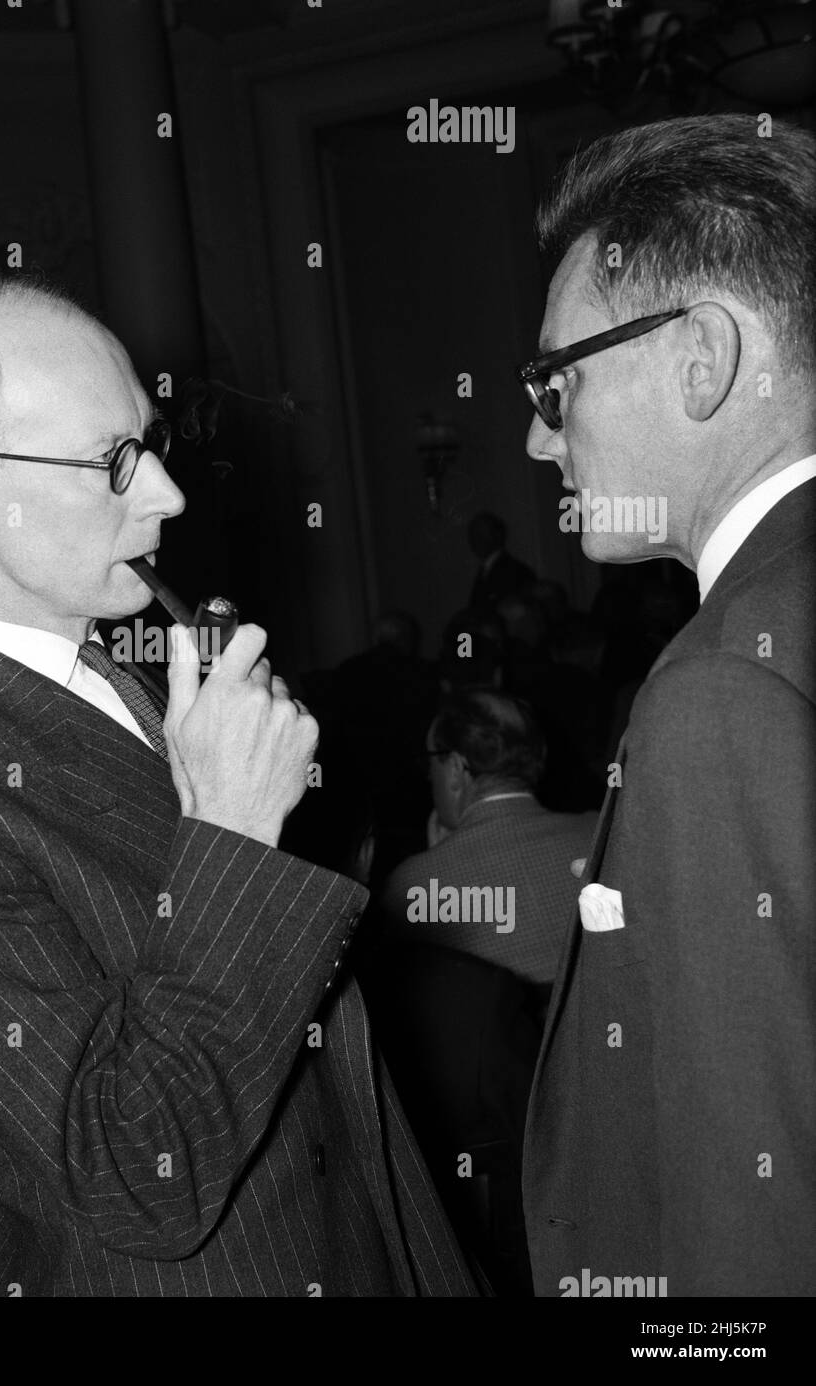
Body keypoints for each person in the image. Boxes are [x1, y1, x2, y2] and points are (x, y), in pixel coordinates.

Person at [0, 276, 477, 1297]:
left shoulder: (134, 668)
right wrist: (234, 830)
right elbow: (137, 1174)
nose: (166, 493)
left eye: (151, 444)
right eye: (110, 462)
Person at [519, 114, 816, 1295]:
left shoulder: (718, 692)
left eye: (555, 380)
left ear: (700, 356)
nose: (538, 439)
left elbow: (757, 1228)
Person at [379, 688, 595, 987]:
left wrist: (435, 864)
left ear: (455, 769)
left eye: (432, 763)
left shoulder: (408, 887)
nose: (430, 777)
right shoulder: (600, 835)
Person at [466, 513, 535, 612]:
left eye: (481, 533)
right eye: (473, 533)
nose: (476, 539)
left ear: (498, 534)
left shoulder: (516, 572)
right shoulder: (484, 572)